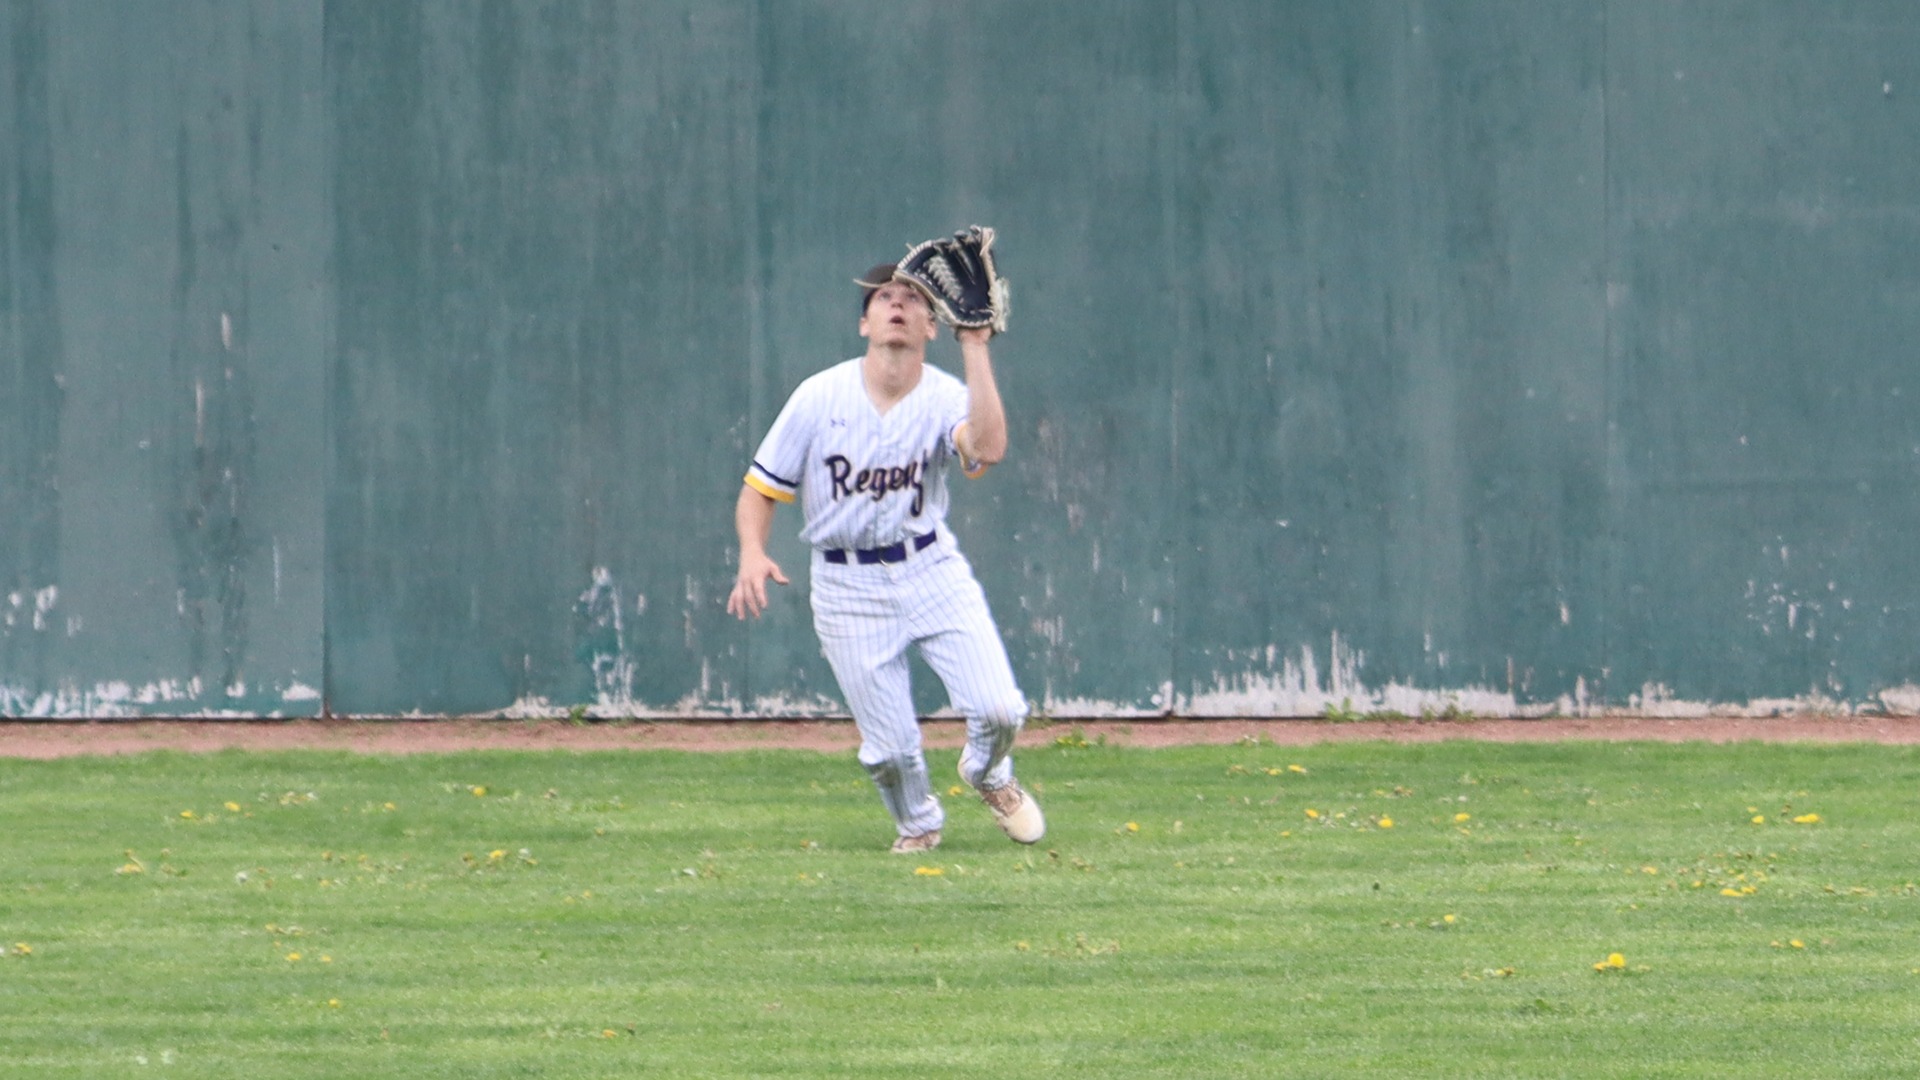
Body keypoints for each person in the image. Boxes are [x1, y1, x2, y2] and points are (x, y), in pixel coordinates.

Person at [725, 262, 1043, 854]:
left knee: (1001, 710)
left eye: (912, 299)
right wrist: (751, 552)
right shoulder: (819, 396)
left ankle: (987, 771)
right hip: (847, 584)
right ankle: (918, 823)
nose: (897, 305)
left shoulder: (948, 394)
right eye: (884, 298)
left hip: (930, 568)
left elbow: (989, 449)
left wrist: (975, 345)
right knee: (891, 751)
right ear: (863, 323)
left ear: (930, 324)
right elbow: (761, 488)